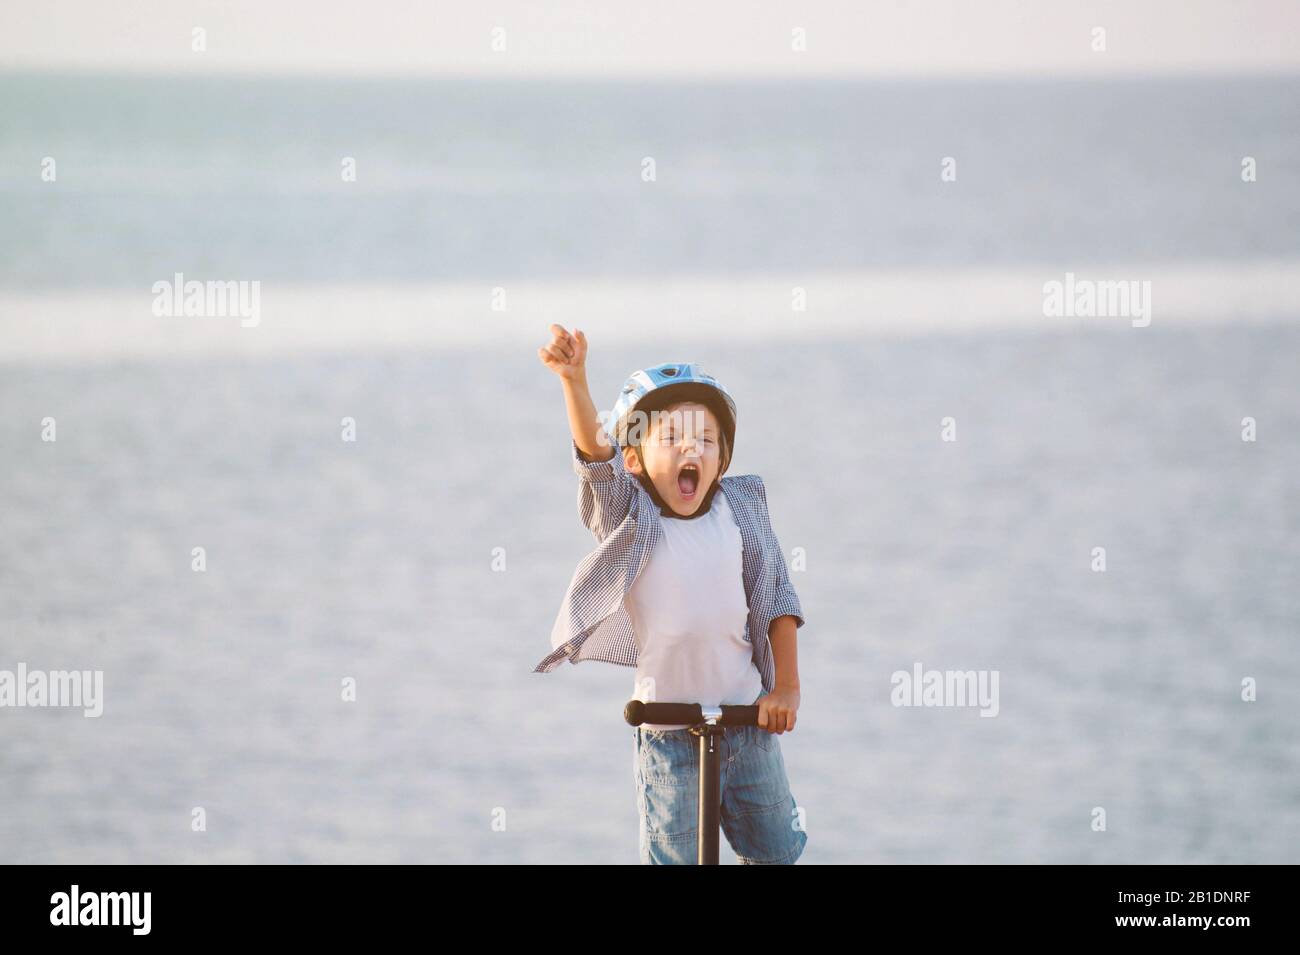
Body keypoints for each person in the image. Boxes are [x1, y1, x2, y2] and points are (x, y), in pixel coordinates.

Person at [535, 323, 808, 864]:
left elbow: (778, 602)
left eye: (706, 440)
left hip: (747, 722)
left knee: (776, 852)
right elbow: (596, 463)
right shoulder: (630, 517)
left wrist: (787, 692)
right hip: (666, 730)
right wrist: (574, 381)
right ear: (634, 462)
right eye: (672, 439)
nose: (692, 449)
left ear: (722, 460)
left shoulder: (742, 511)